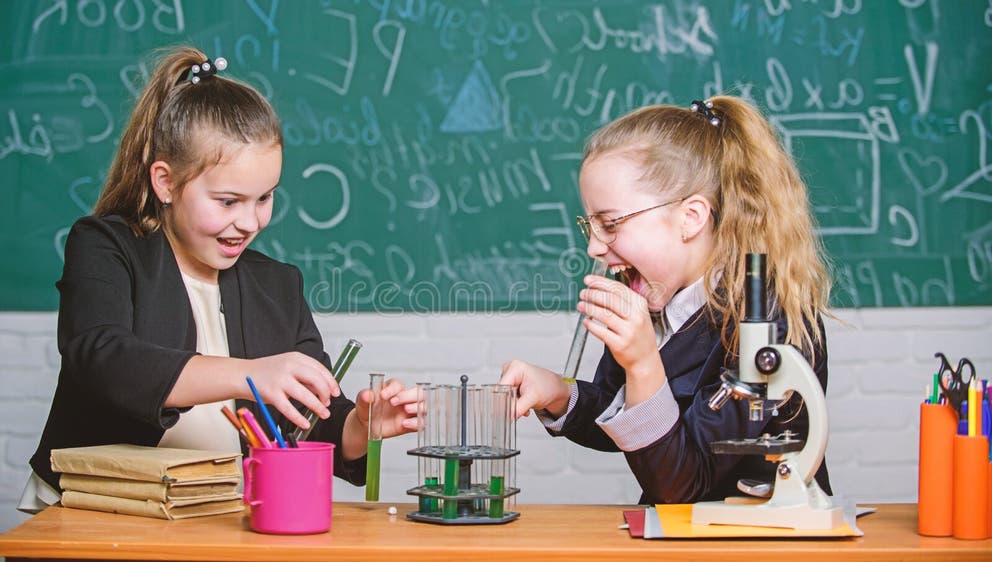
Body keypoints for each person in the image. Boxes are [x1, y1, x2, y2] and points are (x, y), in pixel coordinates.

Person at [20, 46, 418, 511]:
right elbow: (103, 359)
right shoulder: (106, 246)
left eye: (264, 198)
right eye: (228, 201)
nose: (249, 222)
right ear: (165, 182)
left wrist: (361, 427)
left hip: (212, 517)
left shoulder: (278, 285)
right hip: (99, 511)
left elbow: (310, 424)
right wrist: (249, 374)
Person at [499, 96, 833, 505]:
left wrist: (643, 363)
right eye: (590, 226)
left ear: (690, 218)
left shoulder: (767, 322)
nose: (594, 248)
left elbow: (682, 483)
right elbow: (625, 418)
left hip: (756, 534)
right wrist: (559, 394)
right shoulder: (655, 301)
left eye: (610, 224)